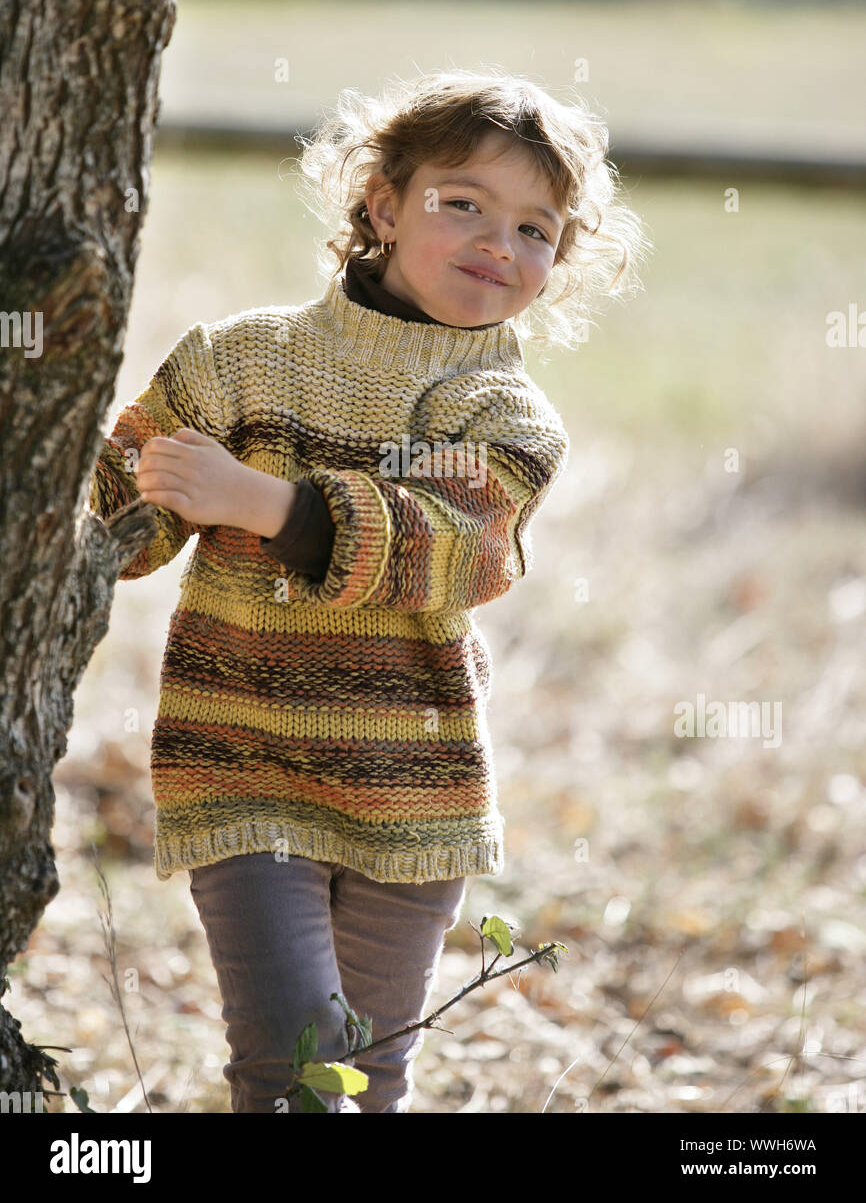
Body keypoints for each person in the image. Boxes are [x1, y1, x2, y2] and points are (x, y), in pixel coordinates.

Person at [89, 67, 649, 1113]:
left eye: (536, 227)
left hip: (413, 787)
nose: (498, 241)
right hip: (242, 762)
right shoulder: (243, 360)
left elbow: (452, 550)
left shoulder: (504, 414)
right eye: (462, 204)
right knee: (292, 1062)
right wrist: (127, 495)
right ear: (382, 205)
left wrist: (266, 504)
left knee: (367, 1070)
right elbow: (119, 520)